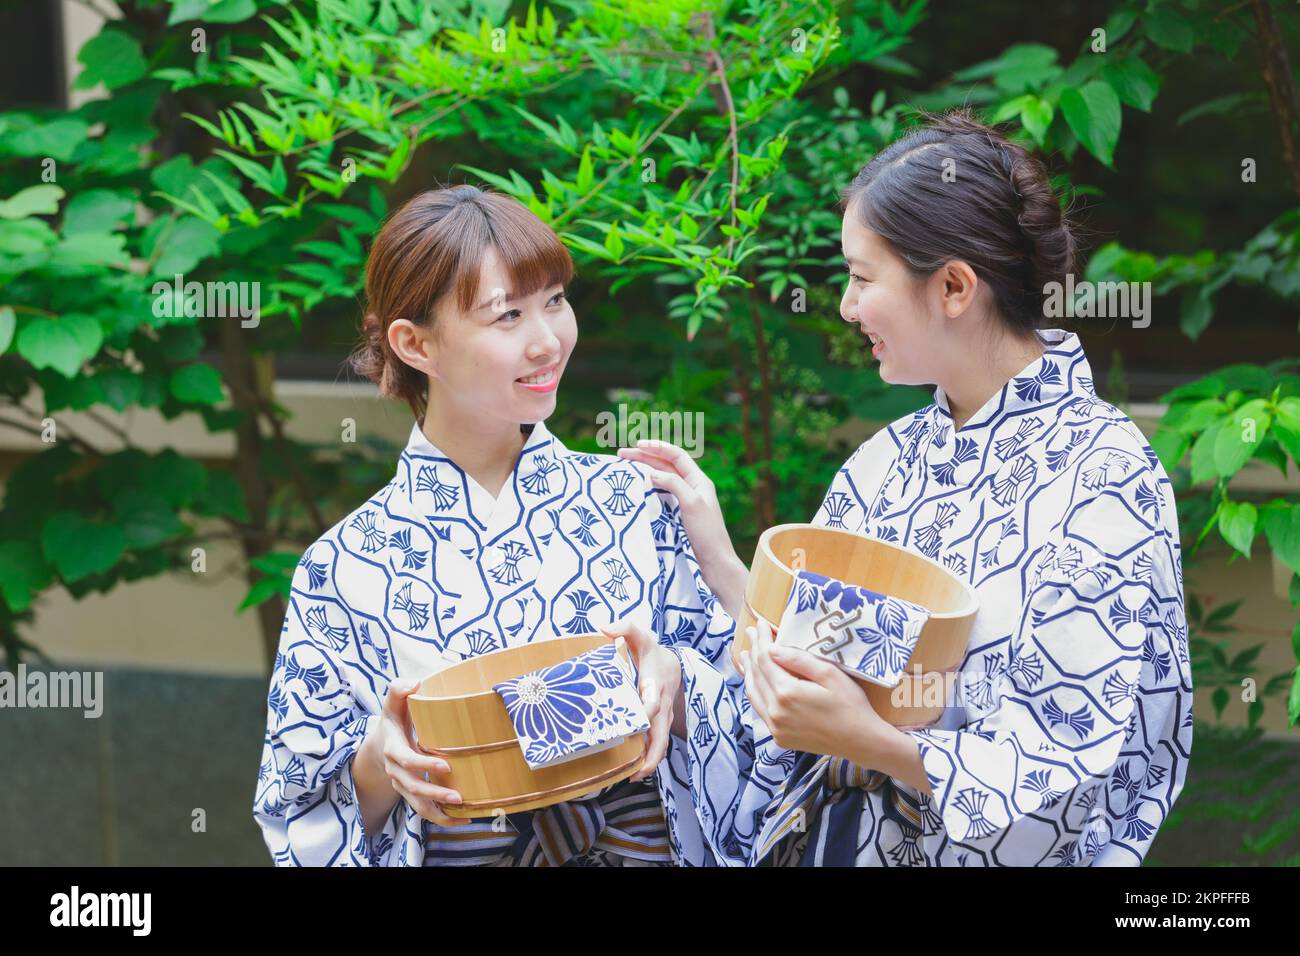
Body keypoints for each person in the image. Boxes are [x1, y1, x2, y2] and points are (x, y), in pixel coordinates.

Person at [619, 111, 1193, 866]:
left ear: (954, 285)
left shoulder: (1105, 473)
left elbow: (1064, 780)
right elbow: (826, 662)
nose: (849, 306)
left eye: (862, 277)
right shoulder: (884, 462)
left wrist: (869, 742)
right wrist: (705, 599)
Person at [252, 186, 746, 867]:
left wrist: (679, 680)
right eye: (507, 315)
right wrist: (377, 761)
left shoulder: (638, 503)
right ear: (415, 343)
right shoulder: (341, 567)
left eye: (555, 301)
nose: (548, 340)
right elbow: (297, 813)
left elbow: (773, 726)